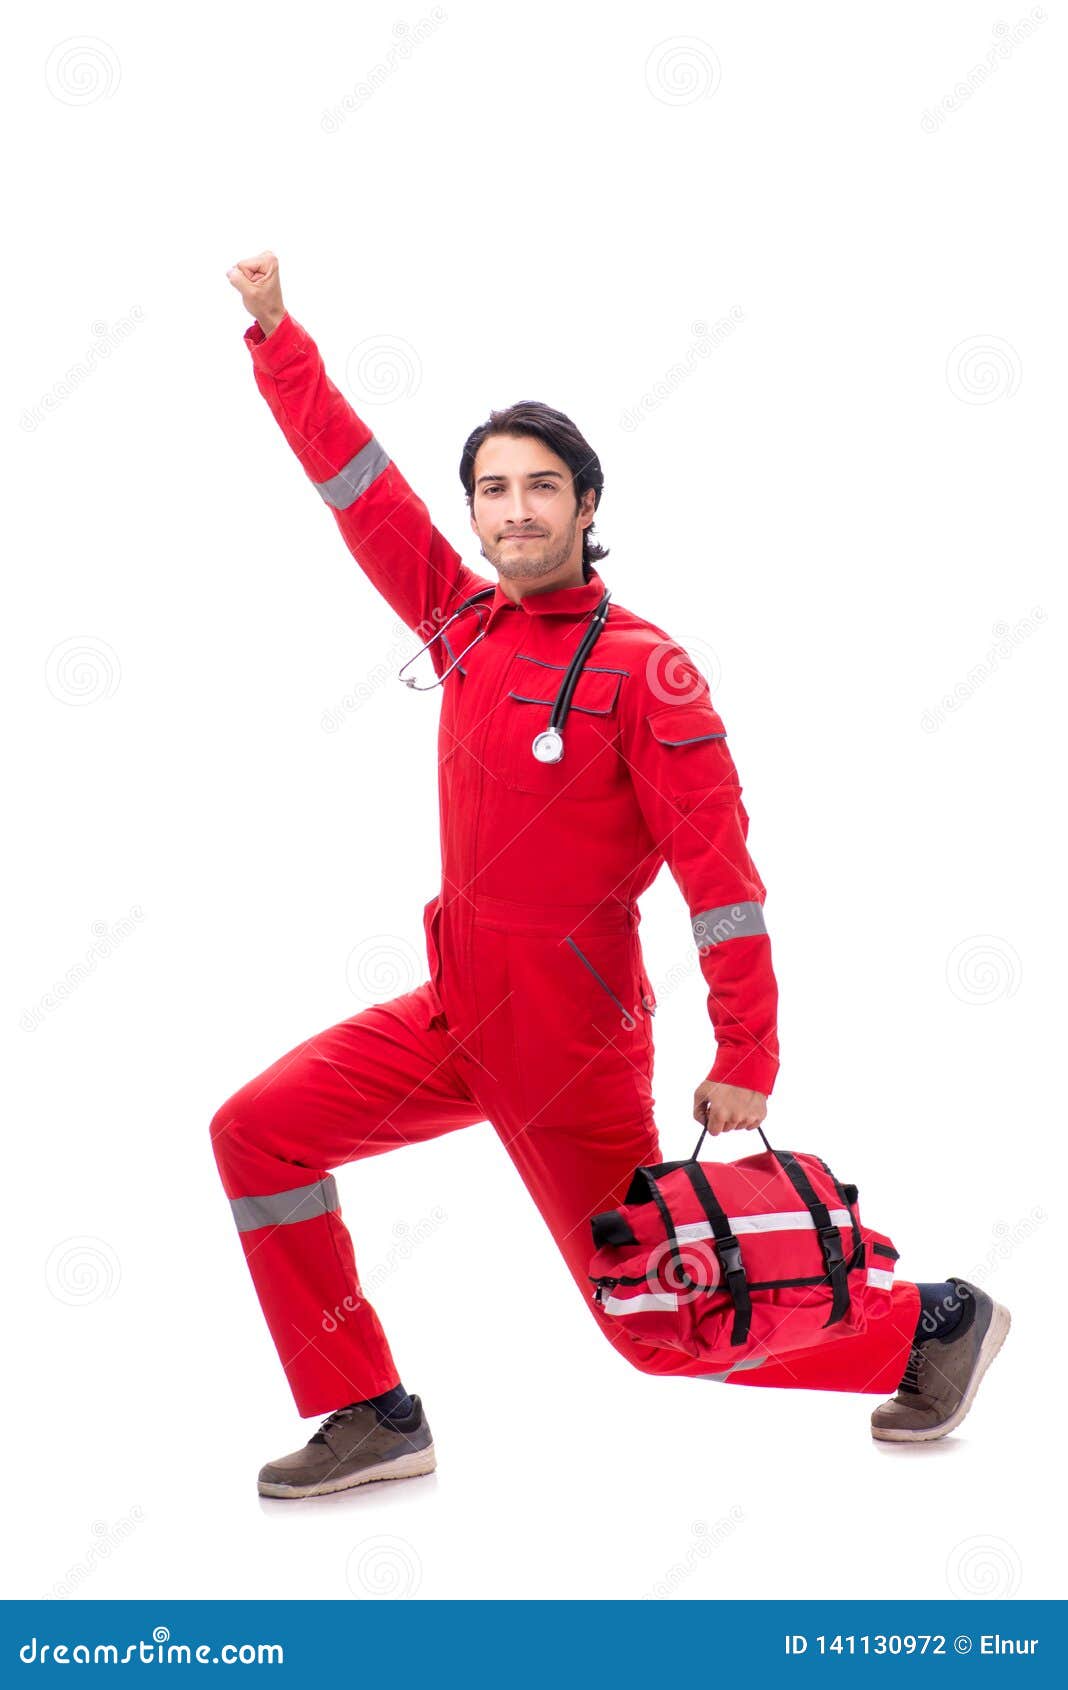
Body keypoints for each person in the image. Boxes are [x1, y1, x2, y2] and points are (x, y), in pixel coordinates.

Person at [214, 252, 1011, 1499]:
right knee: (257, 1135)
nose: (514, 511)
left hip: (570, 1047)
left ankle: (928, 1324)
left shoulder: (648, 671)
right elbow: (356, 492)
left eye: (541, 488)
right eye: (492, 491)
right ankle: (369, 1408)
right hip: (452, 1010)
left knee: (658, 1324)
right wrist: (276, 337)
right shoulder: (463, 624)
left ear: (587, 503)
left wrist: (747, 1054)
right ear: (472, 512)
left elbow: (723, 880)